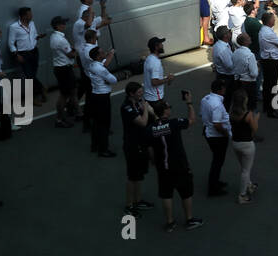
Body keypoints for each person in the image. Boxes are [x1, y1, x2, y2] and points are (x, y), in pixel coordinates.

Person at [147, 91, 203, 231]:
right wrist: (189, 103)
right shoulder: (174, 123)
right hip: (179, 164)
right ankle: (189, 219)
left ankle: (170, 222)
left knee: (166, 194)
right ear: (165, 110)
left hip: (163, 166)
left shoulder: (151, 129)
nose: (170, 108)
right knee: (186, 192)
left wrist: (154, 161)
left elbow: (150, 148)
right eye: (169, 107)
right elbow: (192, 120)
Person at [120, 82, 155, 217]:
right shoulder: (126, 107)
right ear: (131, 94)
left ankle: (138, 200)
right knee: (132, 176)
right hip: (132, 146)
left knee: (139, 175)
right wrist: (146, 109)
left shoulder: (138, 102)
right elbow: (142, 122)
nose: (142, 94)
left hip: (141, 143)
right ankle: (129, 205)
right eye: (139, 92)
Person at [7, 7, 46, 106]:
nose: (31, 16)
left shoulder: (32, 23)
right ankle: (37, 94)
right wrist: (17, 54)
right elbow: (10, 43)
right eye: (29, 14)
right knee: (29, 77)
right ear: (23, 16)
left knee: (32, 76)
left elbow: (34, 35)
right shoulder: (14, 27)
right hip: (24, 54)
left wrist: (38, 37)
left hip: (34, 52)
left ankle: (41, 90)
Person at [85, 44, 119, 158]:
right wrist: (108, 80)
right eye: (102, 52)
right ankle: (103, 149)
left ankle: (94, 145)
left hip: (95, 96)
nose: (104, 53)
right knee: (104, 124)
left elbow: (105, 61)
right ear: (98, 56)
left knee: (96, 123)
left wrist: (110, 54)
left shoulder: (92, 65)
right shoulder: (100, 68)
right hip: (102, 99)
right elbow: (113, 80)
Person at [199, 78, 231, 197]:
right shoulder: (217, 105)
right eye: (223, 87)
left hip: (208, 132)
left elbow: (202, 114)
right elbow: (217, 124)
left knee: (217, 160)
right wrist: (226, 133)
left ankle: (215, 182)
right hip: (216, 136)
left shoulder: (205, 99)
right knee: (218, 161)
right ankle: (213, 187)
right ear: (220, 90)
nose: (225, 89)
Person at [229, 88, 259, 204]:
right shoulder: (248, 115)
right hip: (247, 144)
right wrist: (256, 119)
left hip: (235, 143)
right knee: (245, 170)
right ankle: (242, 195)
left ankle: (250, 185)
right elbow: (254, 129)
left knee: (243, 167)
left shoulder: (231, 112)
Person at [257, 11, 278, 117]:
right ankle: (271, 110)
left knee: (267, 85)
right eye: (273, 18)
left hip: (268, 60)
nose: (274, 20)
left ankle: (267, 107)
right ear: (269, 21)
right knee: (271, 85)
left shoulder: (265, 30)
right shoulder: (268, 32)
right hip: (271, 61)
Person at [143, 37, 172, 108]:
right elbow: (154, 82)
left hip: (149, 97)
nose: (162, 45)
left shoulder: (149, 58)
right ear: (156, 47)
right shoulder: (155, 62)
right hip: (156, 99)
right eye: (161, 44)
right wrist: (168, 79)